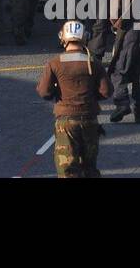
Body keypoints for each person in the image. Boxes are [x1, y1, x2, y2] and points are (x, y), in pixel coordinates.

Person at [36, 21, 112, 178]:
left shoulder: (55, 63)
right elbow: (106, 91)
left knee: (68, 169)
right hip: (90, 119)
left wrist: (57, 93)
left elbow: (44, 92)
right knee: (90, 167)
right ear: (85, 38)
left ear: (63, 38)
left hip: (66, 121)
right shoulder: (93, 63)